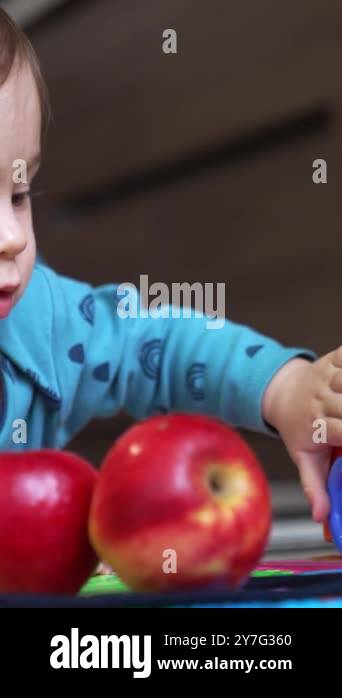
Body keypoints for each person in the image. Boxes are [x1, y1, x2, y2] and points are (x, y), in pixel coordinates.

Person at [0, 8, 341, 526]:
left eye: (19, 194)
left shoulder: (46, 322)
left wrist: (286, 391)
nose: (13, 237)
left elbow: (157, 342)